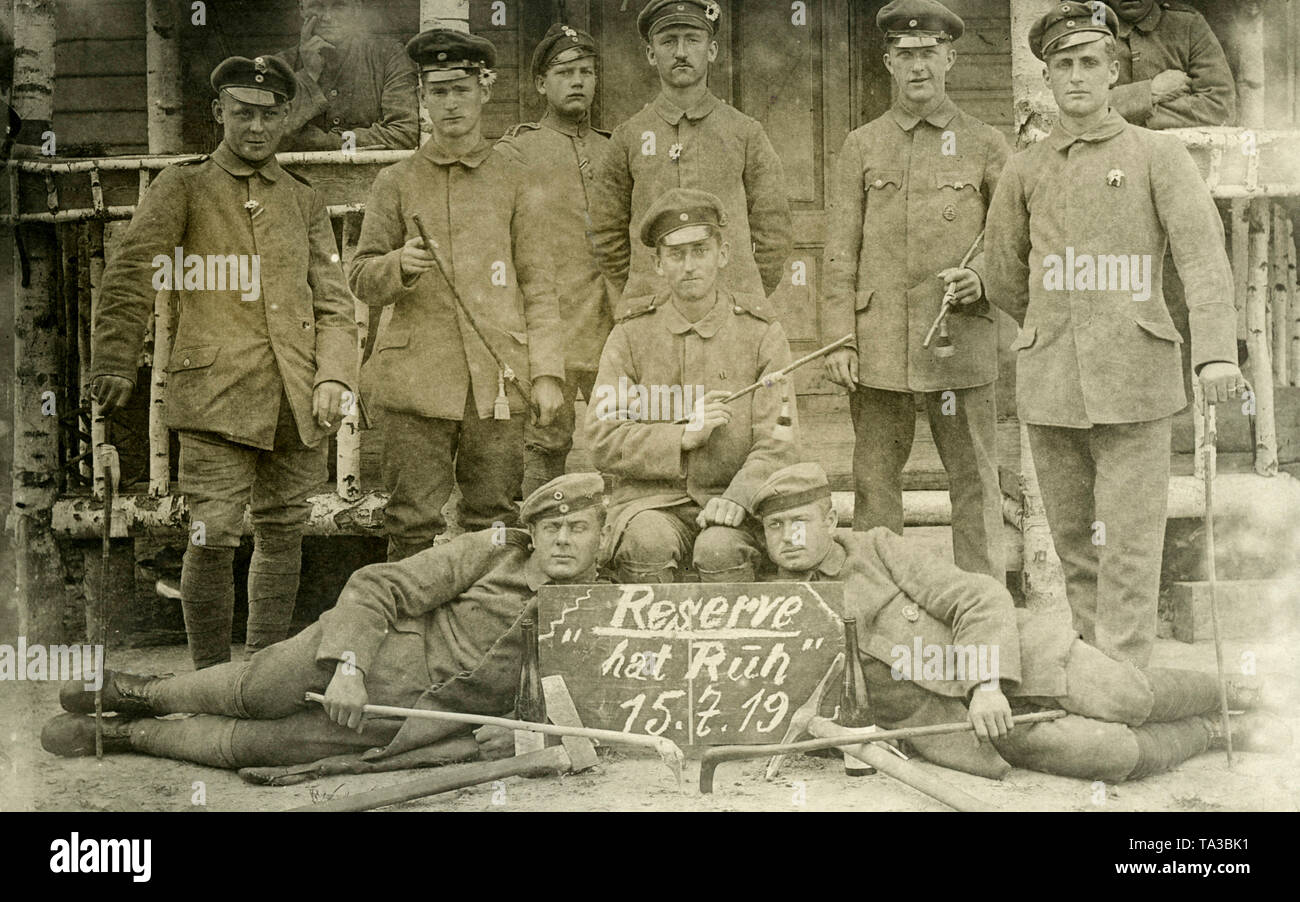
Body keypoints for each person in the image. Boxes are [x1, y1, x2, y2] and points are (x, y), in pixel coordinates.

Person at [982, 3, 1243, 669]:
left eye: (1088, 62)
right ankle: (1096, 674)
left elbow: (1203, 258)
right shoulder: (1024, 170)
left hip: (1136, 376)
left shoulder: (1157, 155)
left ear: (1112, 72)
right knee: (1075, 542)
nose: (1076, 76)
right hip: (1052, 381)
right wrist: (1053, 322)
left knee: (1129, 542)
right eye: (1062, 64)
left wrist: (1215, 355)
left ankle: (1123, 677)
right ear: (1047, 78)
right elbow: (1004, 273)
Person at [753, 462, 1290, 783]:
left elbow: (978, 597)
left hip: (1018, 656)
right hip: (962, 726)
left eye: (799, 521)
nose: (788, 537)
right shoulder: (771, 611)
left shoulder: (876, 549)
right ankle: (1215, 731)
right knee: (1115, 754)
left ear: (830, 519)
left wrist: (986, 684)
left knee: (1127, 698)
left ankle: (1238, 691)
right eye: (775, 526)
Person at [41, 475, 608, 767]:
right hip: (368, 653)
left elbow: (599, 705)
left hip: (411, 719)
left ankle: (125, 735)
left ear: (600, 537)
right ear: (535, 532)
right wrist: (350, 667)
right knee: (259, 690)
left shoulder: (608, 610)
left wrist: (524, 732)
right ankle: (143, 693)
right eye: (552, 528)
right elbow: (378, 585)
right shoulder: (495, 550)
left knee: (261, 746)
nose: (563, 540)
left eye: (578, 528)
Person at [89, 56, 358, 669]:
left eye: (269, 115)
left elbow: (335, 303)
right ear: (219, 113)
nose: (257, 128)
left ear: (285, 117)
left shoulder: (303, 199)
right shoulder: (184, 185)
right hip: (215, 394)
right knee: (211, 534)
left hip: (294, 398)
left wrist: (334, 375)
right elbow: (131, 272)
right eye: (243, 114)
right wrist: (114, 359)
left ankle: (261, 674)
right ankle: (208, 680)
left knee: (284, 533)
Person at [349, 29, 566, 562]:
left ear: (484, 91)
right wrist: (398, 265)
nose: (450, 103)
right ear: (422, 97)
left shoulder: (517, 178)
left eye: (461, 90)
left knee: (493, 519)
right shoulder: (395, 181)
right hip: (414, 381)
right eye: (438, 91)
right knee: (410, 522)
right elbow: (359, 275)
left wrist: (546, 373)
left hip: (496, 379)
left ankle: (483, 615)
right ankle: (410, 618)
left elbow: (540, 284)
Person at [822, 0, 1009, 582]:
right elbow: (839, 251)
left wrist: (982, 279)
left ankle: (985, 605)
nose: (918, 66)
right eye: (905, 55)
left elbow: (1014, 238)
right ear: (888, 62)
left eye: (929, 52)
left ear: (950, 58)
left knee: (974, 480)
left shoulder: (986, 144)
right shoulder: (862, 145)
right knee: (875, 482)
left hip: (960, 339)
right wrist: (839, 339)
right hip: (880, 345)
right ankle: (879, 601)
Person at [586, 188, 797, 583]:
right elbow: (602, 437)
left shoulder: (761, 333)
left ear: (723, 254)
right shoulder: (630, 335)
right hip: (650, 503)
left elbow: (779, 440)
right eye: (676, 254)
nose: (689, 266)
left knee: (721, 549)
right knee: (646, 542)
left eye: (700, 251)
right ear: (658, 263)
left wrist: (739, 497)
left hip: (735, 501)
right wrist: (681, 437)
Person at [588, 0, 792, 312]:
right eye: (668, 41)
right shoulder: (628, 136)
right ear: (651, 54)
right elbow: (606, 233)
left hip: (732, 313)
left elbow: (773, 229)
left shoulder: (745, 133)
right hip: (653, 313)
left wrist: (742, 290)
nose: (681, 52)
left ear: (712, 50)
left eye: (693, 40)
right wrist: (646, 289)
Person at [497, 23, 615, 496]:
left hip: (611, 322)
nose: (578, 81)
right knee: (546, 437)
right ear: (541, 84)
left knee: (622, 438)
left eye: (586, 71)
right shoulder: (516, 151)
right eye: (565, 72)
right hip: (550, 325)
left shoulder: (614, 149)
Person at [278, 0, 418, 151]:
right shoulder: (280, 65)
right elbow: (272, 136)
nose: (327, 17)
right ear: (302, 9)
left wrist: (325, 143)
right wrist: (309, 75)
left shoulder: (389, 55)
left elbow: (403, 134)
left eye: (339, 6)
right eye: (317, 6)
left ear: (356, 8)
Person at [1109, 0, 1236, 130]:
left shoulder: (1188, 24)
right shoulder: (1097, 26)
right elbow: (1093, 110)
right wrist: (1151, 92)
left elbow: (1219, 108)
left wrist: (1125, 110)